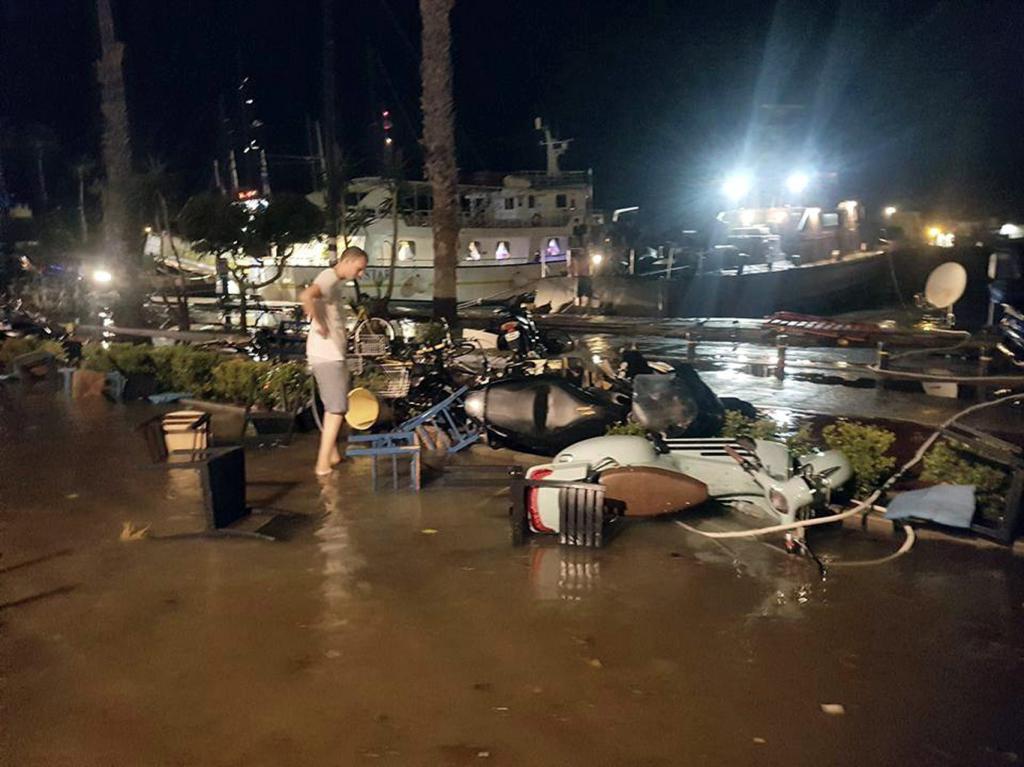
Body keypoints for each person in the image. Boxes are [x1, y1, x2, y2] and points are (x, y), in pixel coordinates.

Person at [299, 245, 368, 475]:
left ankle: (332, 454)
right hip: (328, 355)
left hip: (329, 353)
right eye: (359, 269)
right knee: (337, 408)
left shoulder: (333, 281)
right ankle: (322, 464)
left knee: (334, 405)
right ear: (348, 261)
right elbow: (306, 295)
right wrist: (317, 321)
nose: (360, 275)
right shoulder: (328, 278)